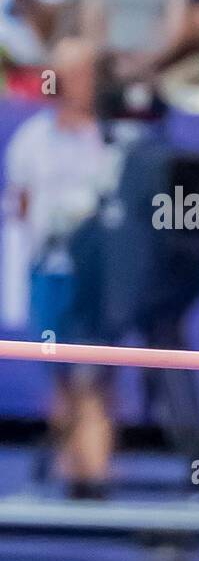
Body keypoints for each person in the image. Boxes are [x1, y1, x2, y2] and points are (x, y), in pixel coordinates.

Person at [1, 38, 113, 499]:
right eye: (68, 74)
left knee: (96, 376)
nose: (75, 83)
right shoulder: (31, 140)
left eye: (84, 73)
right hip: (47, 274)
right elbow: (22, 207)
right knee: (61, 375)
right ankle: (72, 469)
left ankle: (95, 474)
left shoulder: (110, 137)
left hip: (95, 279)